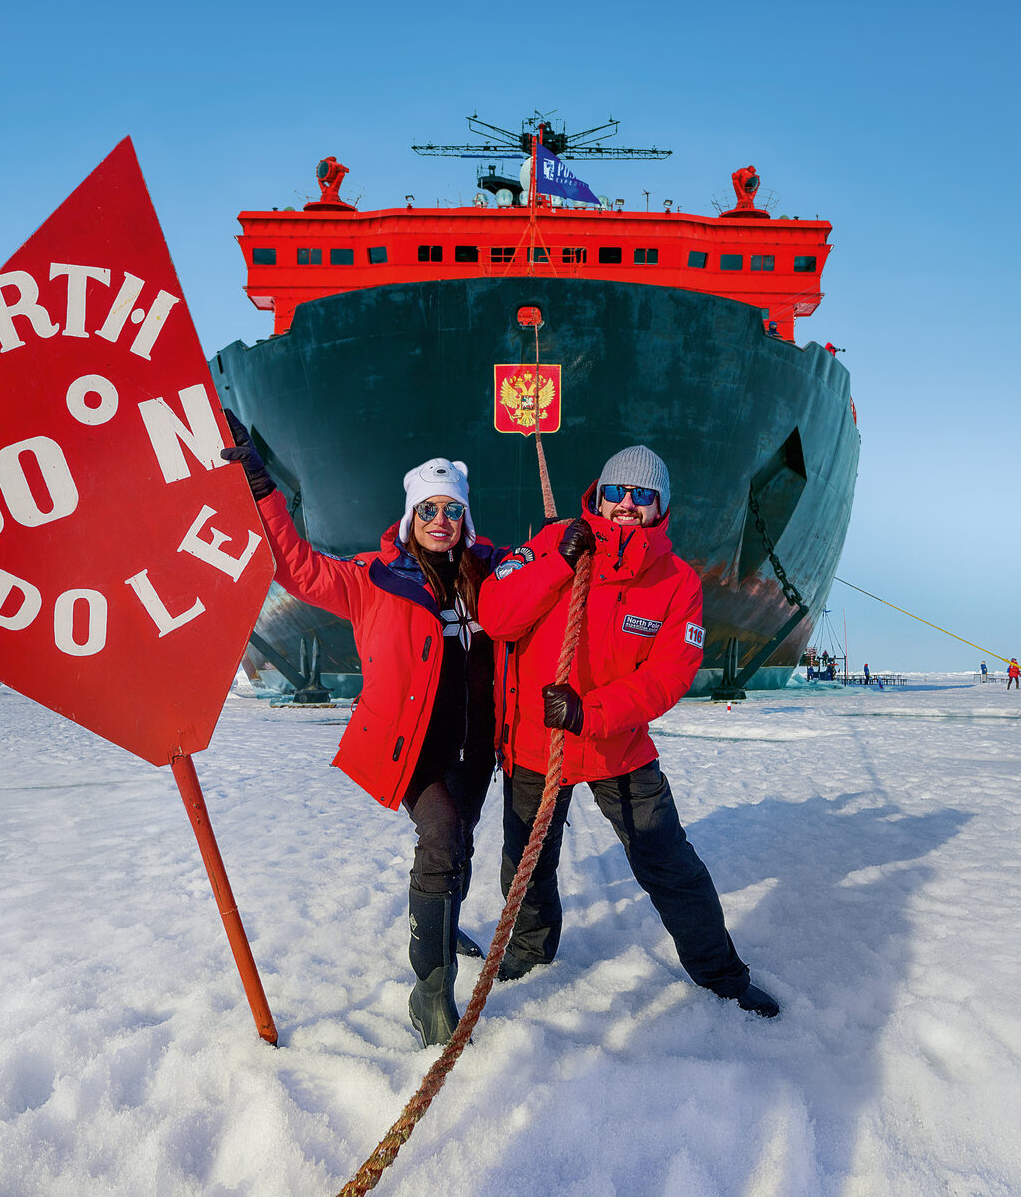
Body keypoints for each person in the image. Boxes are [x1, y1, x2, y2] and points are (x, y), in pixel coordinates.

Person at [221, 416, 501, 1048]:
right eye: (427, 509)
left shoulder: (489, 571)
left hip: (476, 744)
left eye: (450, 509)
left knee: (461, 840)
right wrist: (261, 488)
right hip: (416, 746)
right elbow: (296, 568)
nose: (439, 520)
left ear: (464, 517)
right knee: (442, 835)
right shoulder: (373, 578)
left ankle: (444, 918)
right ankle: (430, 988)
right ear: (409, 517)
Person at [479, 443, 780, 1020]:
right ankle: (530, 951)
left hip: (616, 745)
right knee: (526, 864)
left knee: (669, 864)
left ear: (659, 507)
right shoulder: (551, 543)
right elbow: (496, 615)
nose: (625, 505)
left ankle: (722, 975)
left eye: (641, 496)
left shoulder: (676, 582)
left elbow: (668, 676)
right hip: (536, 744)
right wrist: (557, 565)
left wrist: (590, 713)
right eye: (615, 492)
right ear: (598, 494)